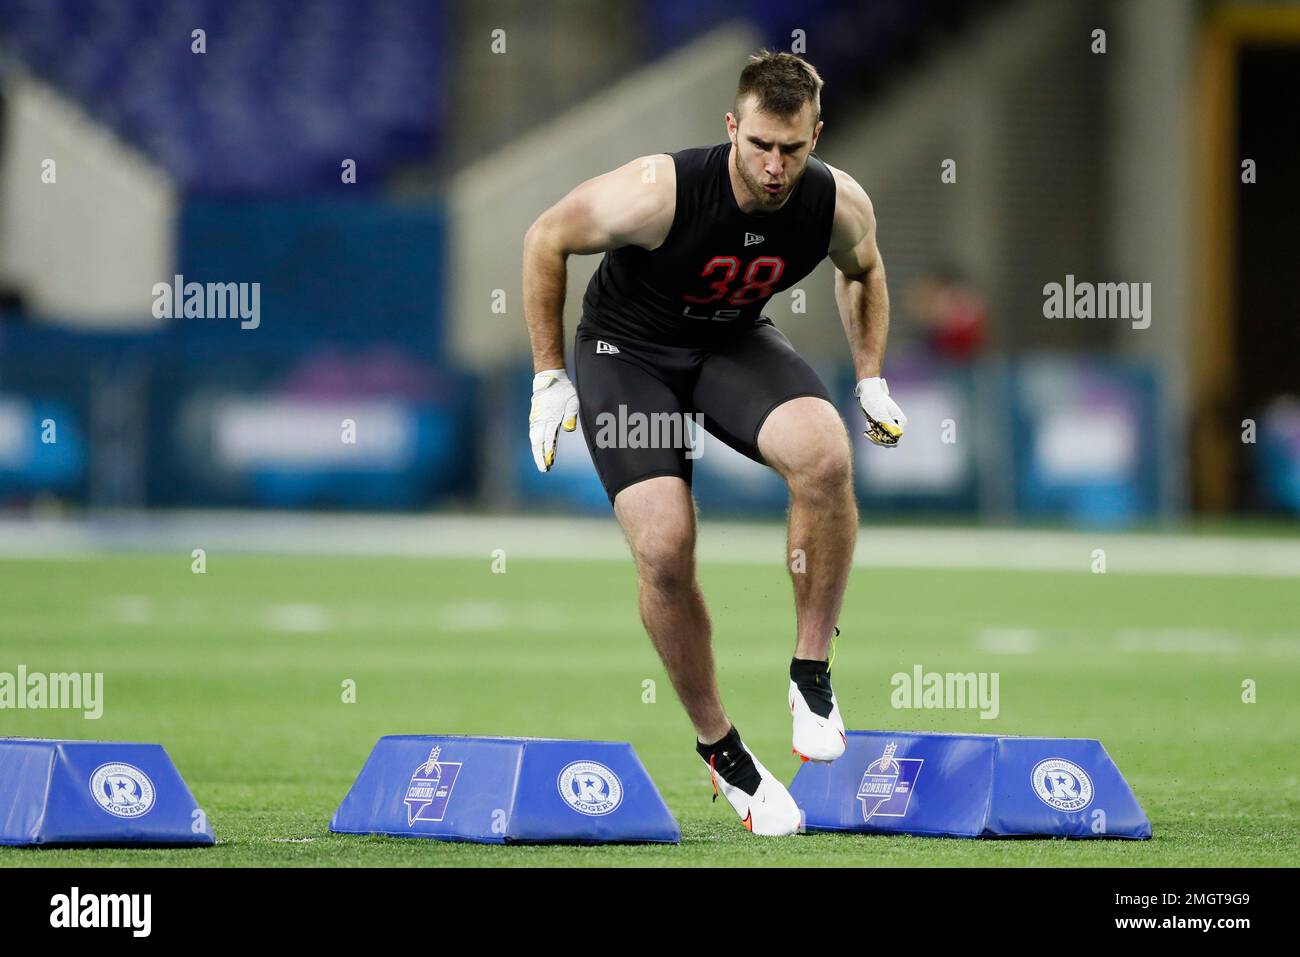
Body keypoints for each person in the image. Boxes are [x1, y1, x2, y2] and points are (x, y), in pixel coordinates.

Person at [521, 51, 906, 836]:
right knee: (665, 545)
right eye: (759, 144)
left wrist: (869, 379)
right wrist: (548, 374)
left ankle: (810, 671)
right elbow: (545, 237)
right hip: (628, 355)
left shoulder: (837, 202)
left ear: (815, 137)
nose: (773, 166)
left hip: (729, 344)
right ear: (732, 127)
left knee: (826, 451)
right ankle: (723, 749)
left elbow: (863, 269)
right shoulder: (659, 191)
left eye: (792, 150)